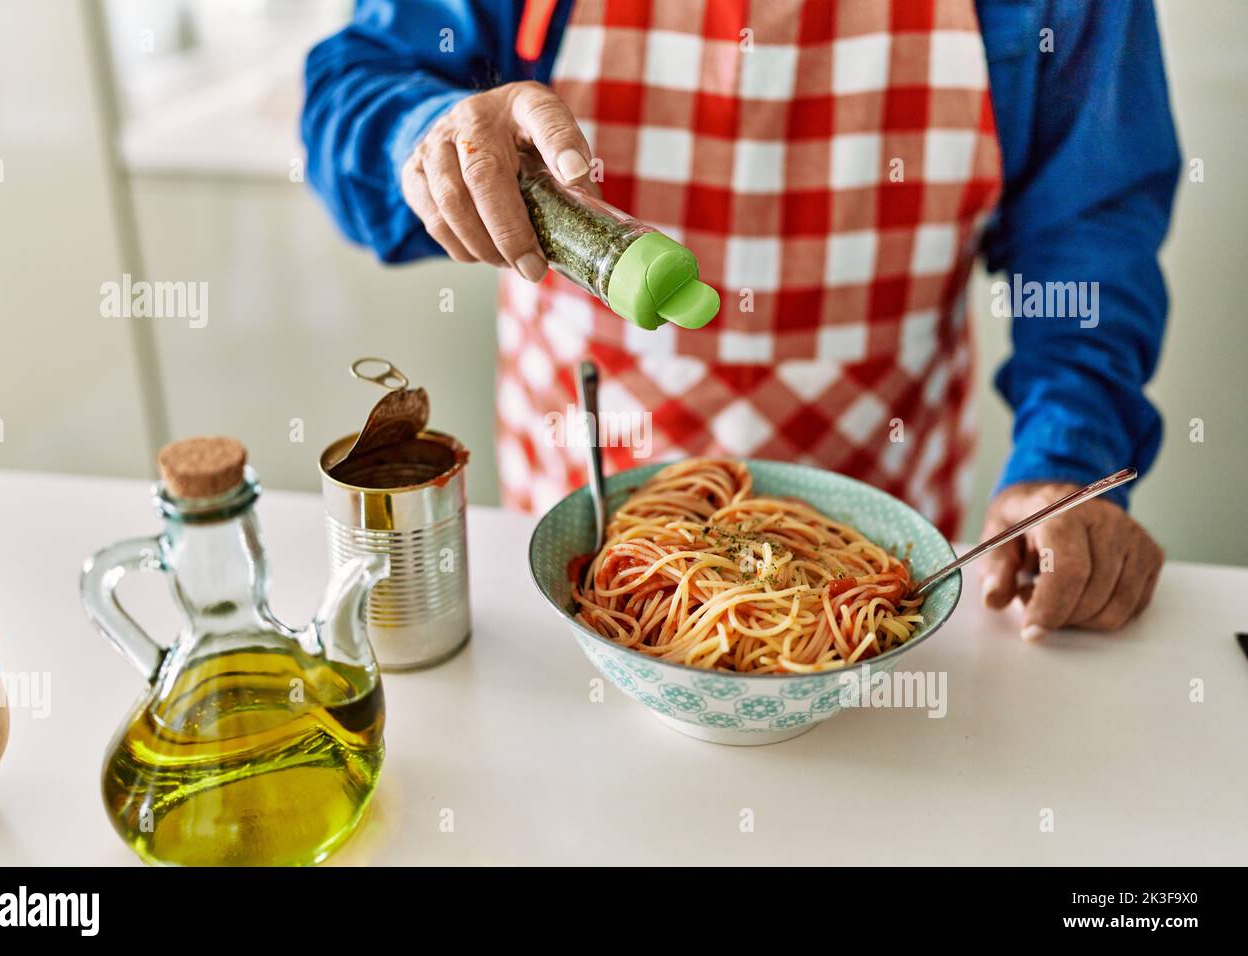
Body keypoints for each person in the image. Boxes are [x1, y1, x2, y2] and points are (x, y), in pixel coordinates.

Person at [302, 0, 1179, 639]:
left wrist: (1064, 461)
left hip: (883, 566)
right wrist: (429, 140)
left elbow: (1088, 239)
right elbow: (351, 93)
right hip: (583, 535)